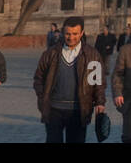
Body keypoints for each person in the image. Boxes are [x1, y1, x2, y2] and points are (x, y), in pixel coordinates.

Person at [32, 15, 106, 143]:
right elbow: (39, 78)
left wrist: (100, 101)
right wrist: (43, 96)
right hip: (53, 109)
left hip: (79, 110)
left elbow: (97, 82)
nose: (71, 37)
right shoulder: (51, 53)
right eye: (67, 34)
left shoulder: (92, 55)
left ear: (82, 32)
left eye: (75, 34)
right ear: (62, 32)